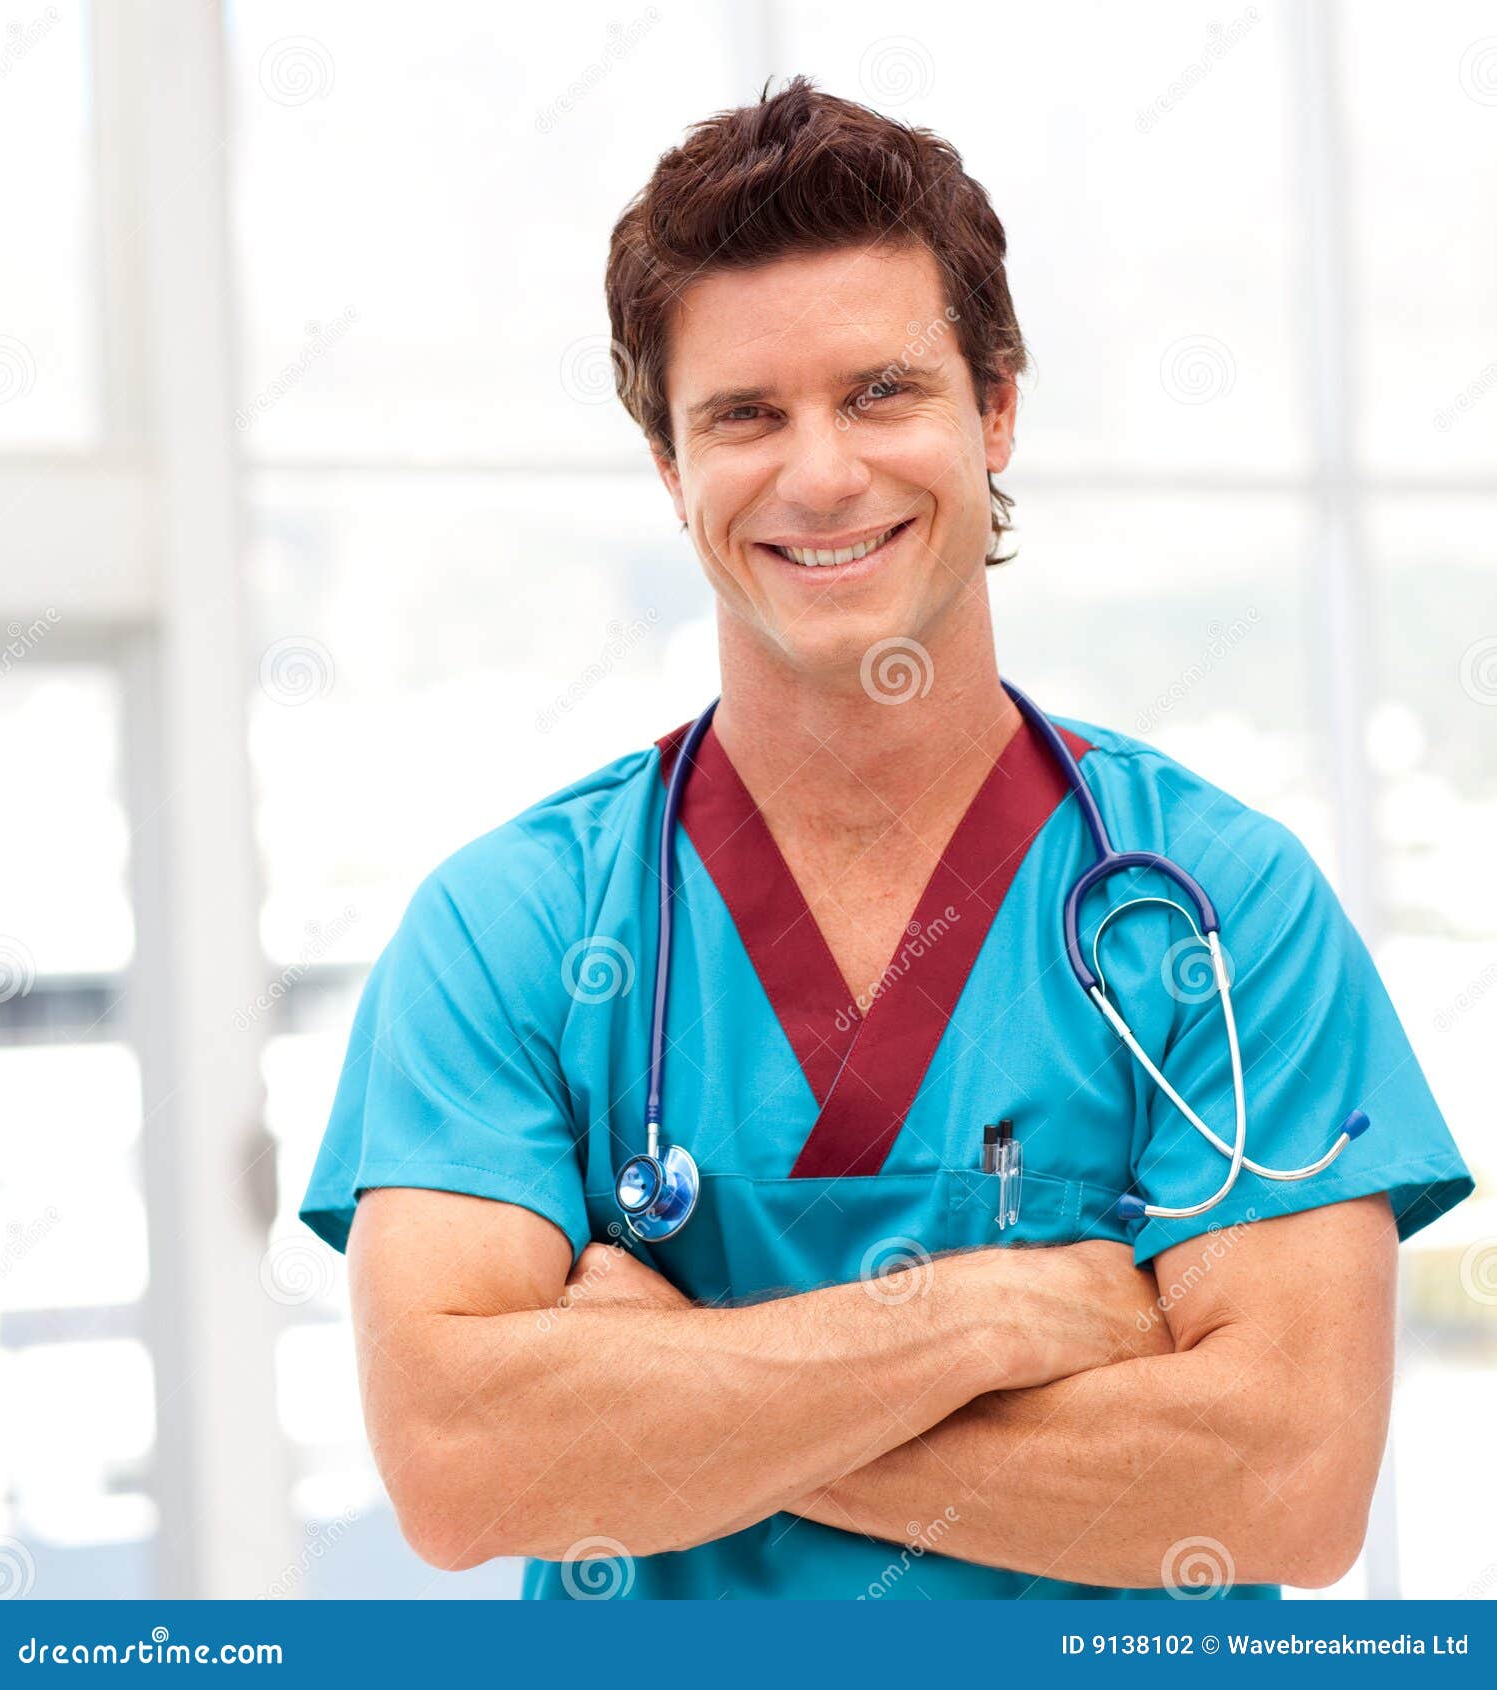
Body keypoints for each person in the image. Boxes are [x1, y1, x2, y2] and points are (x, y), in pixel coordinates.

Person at [300, 77, 1472, 1601]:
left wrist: (677, 1395)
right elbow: (464, 1468)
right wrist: (980, 1321)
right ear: (669, 467)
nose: (820, 475)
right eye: (744, 414)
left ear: (994, 410)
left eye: (878, 393)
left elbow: (1283, 1485)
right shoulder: (510, 927)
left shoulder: (1217, 907)